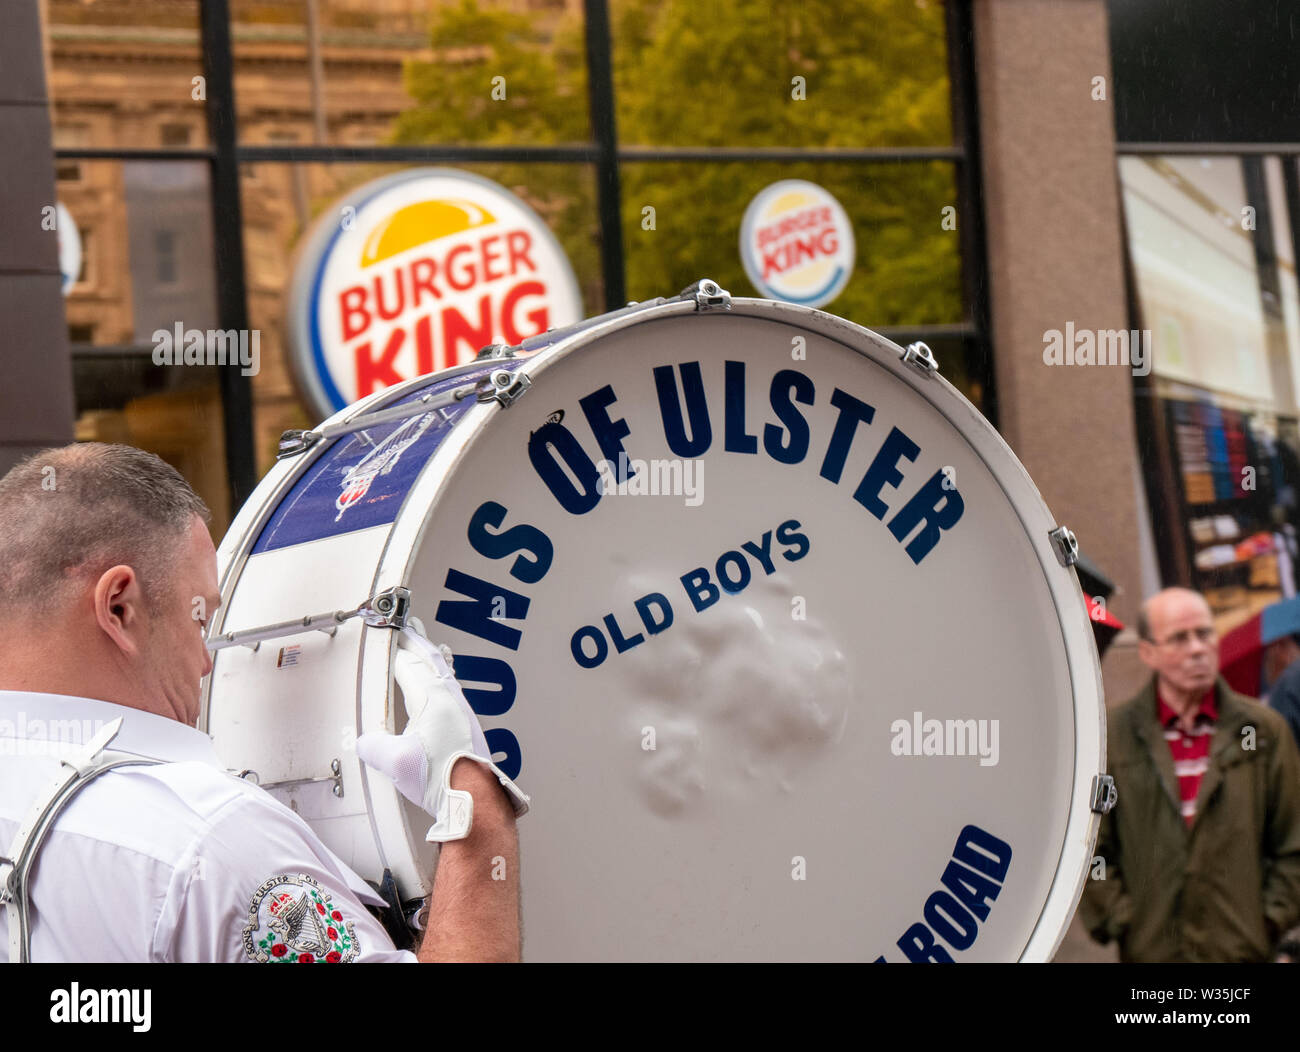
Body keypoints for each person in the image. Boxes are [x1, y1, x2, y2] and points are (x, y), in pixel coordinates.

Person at [0, 443, 527, 962]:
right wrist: (474, 804)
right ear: (119, 607)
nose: (207, 666)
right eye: (199, 618)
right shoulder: (208, 841)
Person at [1078, 586, 1300, 962]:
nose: (1197, 648)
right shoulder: (1113, 737)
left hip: (1242, 956)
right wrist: (1123, 920)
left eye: (1204, 633)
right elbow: (1091, 851)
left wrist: (1266, 920)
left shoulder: (1263, 731)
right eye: (1180, 638)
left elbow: (1293, 845)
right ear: (1148, 651)